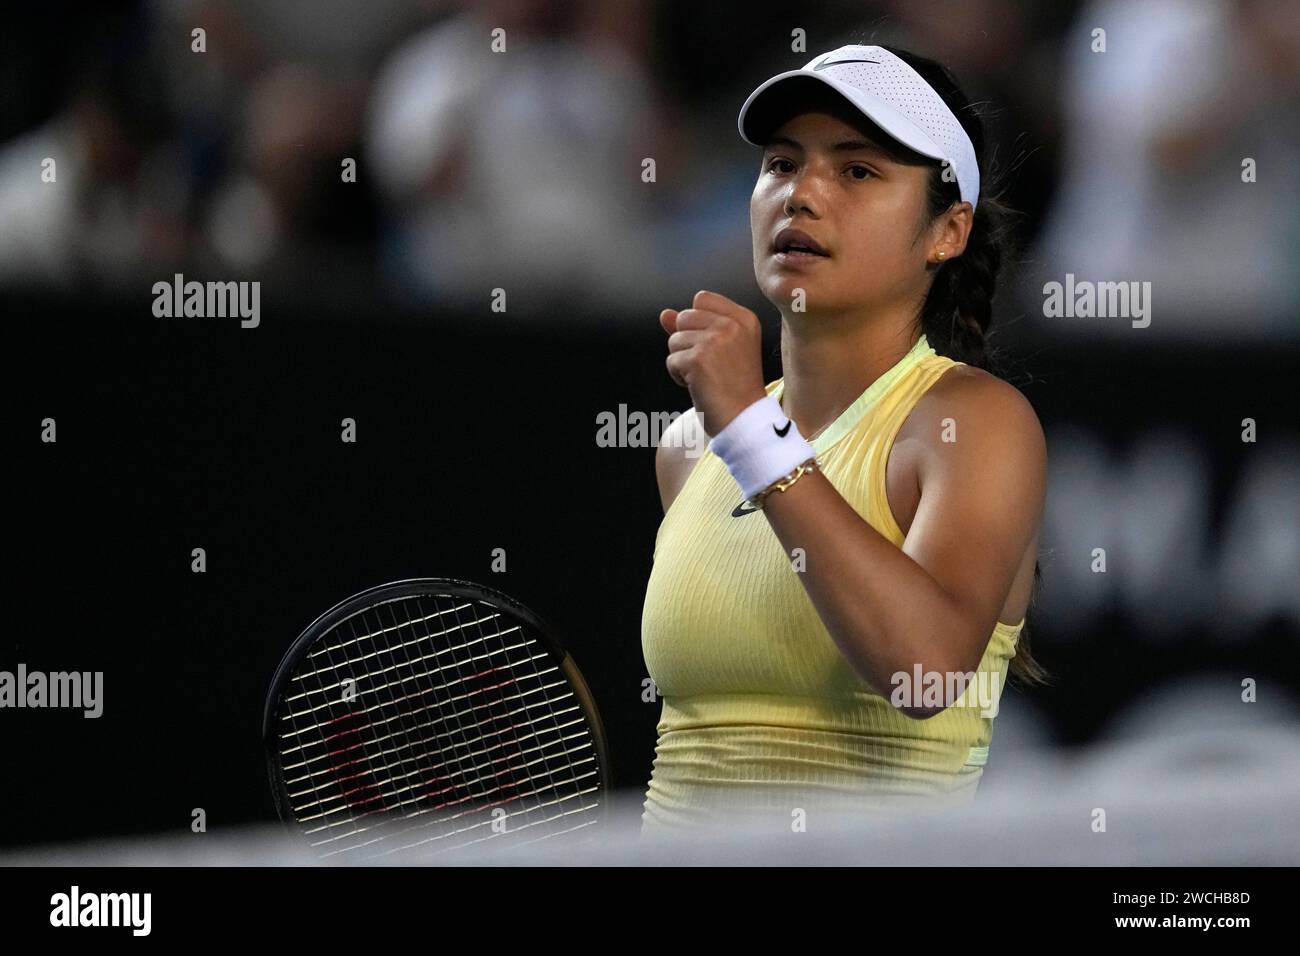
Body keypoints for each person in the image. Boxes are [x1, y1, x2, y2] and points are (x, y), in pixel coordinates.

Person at [640, 44, 1049, 832]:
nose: (802, 194)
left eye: (857, 171)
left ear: (947, 230)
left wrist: (755, 432)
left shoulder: (975, 424)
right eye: (781, 164)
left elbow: (926, 676)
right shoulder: (687, 449)